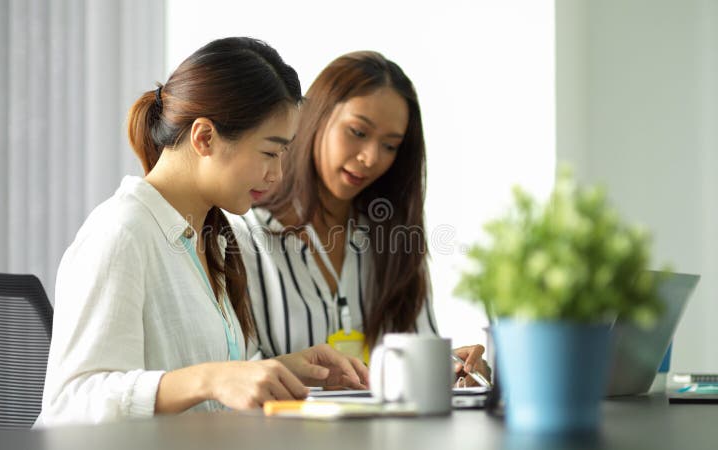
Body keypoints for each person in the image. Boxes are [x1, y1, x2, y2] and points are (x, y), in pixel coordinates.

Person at [37, 37, 367, 427]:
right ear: (204, 137)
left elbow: (195, 394)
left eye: (283, 155)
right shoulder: (122, 233)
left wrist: (282, 371)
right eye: (268, 152)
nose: (277, 174)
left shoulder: (210, 239)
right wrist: (210, 379)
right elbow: (71, 402)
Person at [228, 51, 490, 386]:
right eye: (358, 132)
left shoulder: (397, 241)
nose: (370, 158)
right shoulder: (243, 237)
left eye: (391, 146)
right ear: (313, 118)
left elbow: (420, 356)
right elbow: (236, 378)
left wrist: (456, 372)